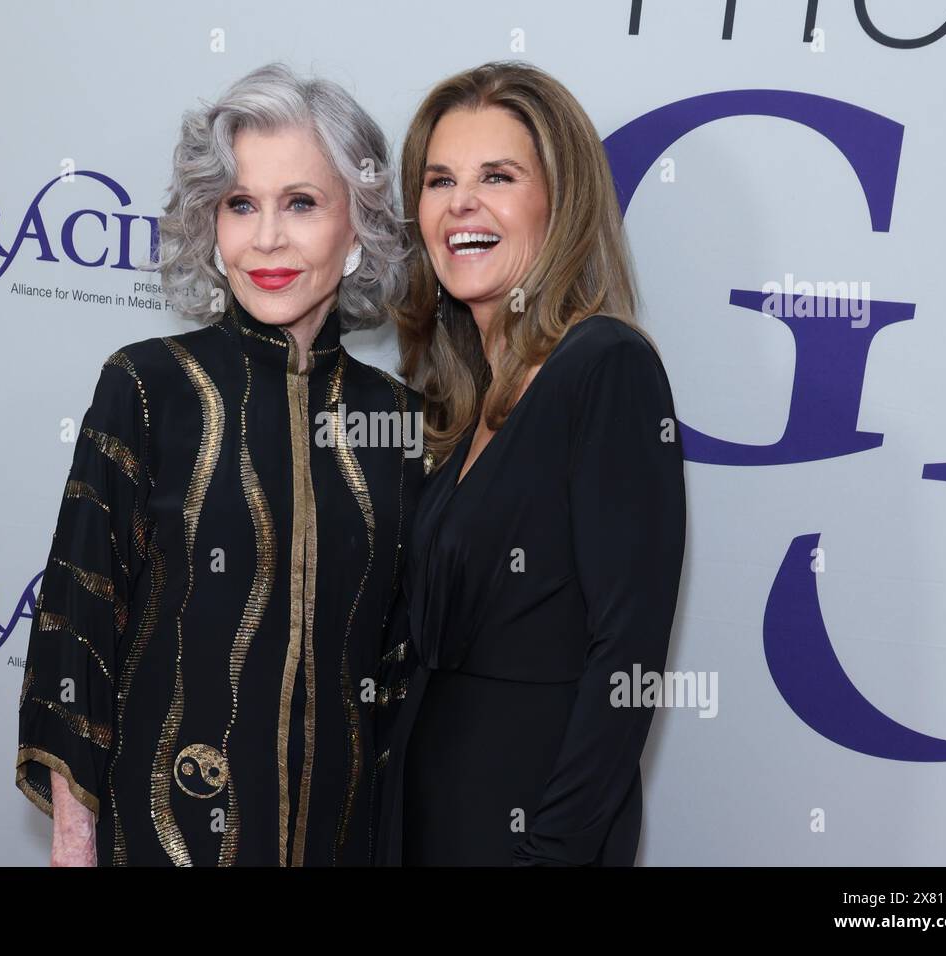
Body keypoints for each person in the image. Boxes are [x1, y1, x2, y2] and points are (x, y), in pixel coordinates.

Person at [15, 62, 424, 866]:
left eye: (300, 204)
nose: (266, 238)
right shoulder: (146, 386)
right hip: (160, 830)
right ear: (213, 224)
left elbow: (403, 671)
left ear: (359, 225)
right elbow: (77, 624)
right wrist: (73, 842)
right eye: (242, 205)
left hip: (344, 839)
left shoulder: (400, 423)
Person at [375, 62, 687, 866]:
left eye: (498, 177)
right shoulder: (456, 409)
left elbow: (626, 659)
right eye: (439, 179)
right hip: (421, 818)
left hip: (530, 833)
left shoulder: (605, 366)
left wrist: (553, 852)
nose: (460, 203)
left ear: (562, 203)